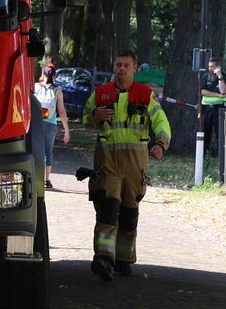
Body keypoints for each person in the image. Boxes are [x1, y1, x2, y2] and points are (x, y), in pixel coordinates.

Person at [81, 48, 171, 281]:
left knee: (129, 213)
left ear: (134, 68)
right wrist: (95, 117)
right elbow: (84, 119)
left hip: (135, 163)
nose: (121, 69)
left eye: (126, 65)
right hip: (107, 161)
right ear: (114, 67)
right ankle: (103, 258)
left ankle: (123, 260)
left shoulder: (145, 95)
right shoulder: (100, 94)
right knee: (108, 208)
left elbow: (161, 122)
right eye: (118, 65)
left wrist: (160, 144)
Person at [34, 66, 70, 189]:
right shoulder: (57, 90)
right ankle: (46, 180)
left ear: (43, 75)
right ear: (55, 76)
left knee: (34, 149)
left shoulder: (35, 87)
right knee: (48, 152)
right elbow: (62, 111)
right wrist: (66, 130)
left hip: (36, 123)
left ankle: (34, 177)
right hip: (50, 124)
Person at [199, 56, 226, 158]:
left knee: (220, 134)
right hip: (207, 109)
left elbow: (223, 91)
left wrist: (220, 76)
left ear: (218, 67)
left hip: (220, 109)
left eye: (212, 67)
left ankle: (220, 156)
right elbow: (202, 91)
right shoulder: (205, 77)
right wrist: (217, 95)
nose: (210, 69)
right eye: (209, 66)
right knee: (205, 133)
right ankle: (204, 155)